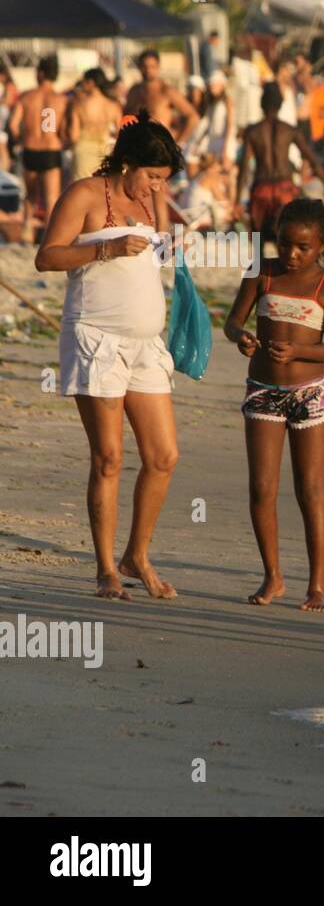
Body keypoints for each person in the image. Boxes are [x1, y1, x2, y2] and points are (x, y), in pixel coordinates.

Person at [34, 111, 186, 600]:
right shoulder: (84, 194)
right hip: (95, 338)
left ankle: (136, 554)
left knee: (163, 456)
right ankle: (105, 571)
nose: (157, 188)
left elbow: (153, 261)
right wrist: (106, 249)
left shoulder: (152, 201)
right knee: (109, 459)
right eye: (153, 176)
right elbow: (47, 256)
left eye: (163, 180)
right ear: (127, 163)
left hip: (146, 345)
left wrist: (172, 246)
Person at [222, 199, 324, 612]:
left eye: (303, 248)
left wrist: (297, 351)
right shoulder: (262, 272)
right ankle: (273, 575)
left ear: (322, 245)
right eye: (284, 244)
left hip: (310, 395)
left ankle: (317, 585)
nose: (291, 255)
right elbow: (232, 322)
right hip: (263, 392)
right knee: (262, 488)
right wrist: (242, 337)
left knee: (309, 489)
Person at [235, 84, 324, 240]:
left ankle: (258, 264)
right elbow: (313, 160)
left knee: (257, 242)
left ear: (261, 104)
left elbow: (244, 168)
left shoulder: (252, 131)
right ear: (281, 105)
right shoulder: (289, 130)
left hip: (261, 189)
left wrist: (237, 201)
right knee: (288, 240)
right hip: (285, 189)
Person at [9, 56, 69, 237]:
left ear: (40, 73)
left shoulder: (27, 97)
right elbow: (64, 130)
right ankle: (48, 235)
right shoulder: (61, 100)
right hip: (51, 150)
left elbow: (12, 124)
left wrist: (22, 139)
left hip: (31, 149)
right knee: (51, 198)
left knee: (31, 196)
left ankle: (27, 231)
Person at [124, 50, 198, 146]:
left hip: (160, 147)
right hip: (136, 148)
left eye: (152, 66)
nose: (148, 70)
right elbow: (126, 117)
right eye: (144, 66)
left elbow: (193, 116)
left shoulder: (167, 91)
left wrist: (179, 143)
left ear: (158, 67)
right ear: (139, 67)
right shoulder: (134, 91)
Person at [66, 68, 121, 183]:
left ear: (91, 83)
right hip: (104, 150)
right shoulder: (113, 105)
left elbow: (73, 135)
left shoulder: (78, 104)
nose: (82, 85)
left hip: (83, 150)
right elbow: (120, 133)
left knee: (81, 188)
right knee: (102, 188)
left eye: (84, 82)